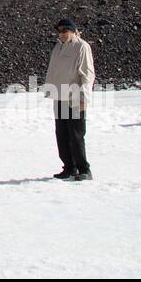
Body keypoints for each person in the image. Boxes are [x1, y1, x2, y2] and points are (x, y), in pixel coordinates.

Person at [45, 18, 94, 181]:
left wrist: (83, 98)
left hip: (74, 97)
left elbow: (87, 74)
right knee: (62, 134)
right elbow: (54, 70)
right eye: (59, 31)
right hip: (59, 96)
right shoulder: (58, 47)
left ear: (73, 31)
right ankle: (69, 167)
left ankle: (84, 169)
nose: (62, 34)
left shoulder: (81, 47)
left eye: (65, 31)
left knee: (76, 135)